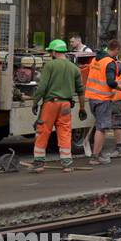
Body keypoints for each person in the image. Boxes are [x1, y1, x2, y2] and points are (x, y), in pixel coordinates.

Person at [32, 39, 85, 173]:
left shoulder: (50, 65)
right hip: (66, 104)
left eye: (51, 51)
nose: (51, 54)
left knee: (43, 131)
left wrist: (35, 102)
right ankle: (67, 163)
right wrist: (82, 108)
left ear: (55, 51)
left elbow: (42, 87)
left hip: (51, 103)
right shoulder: (74, 68)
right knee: (65, 132)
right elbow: (81, 91)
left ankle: (39, 164)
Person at [85, 39, 121, 165]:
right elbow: (111, 82)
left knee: (101, 125)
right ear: (116, 50)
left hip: (92, 98)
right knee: (102, 128)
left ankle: (98, 153)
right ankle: (95, 157)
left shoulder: (95, 59)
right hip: (103, 99)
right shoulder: (111, 63)